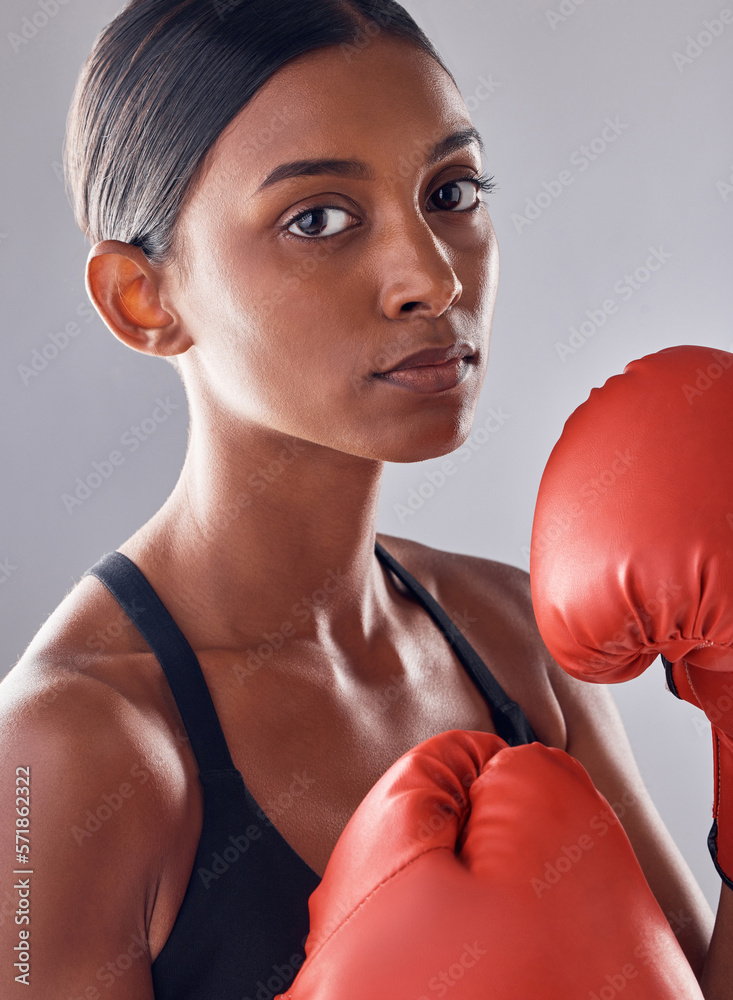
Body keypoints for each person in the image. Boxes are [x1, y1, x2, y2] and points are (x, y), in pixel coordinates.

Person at [0, 1, 715, 997]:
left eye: (451, 189)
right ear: (144, 299)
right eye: (318, 218)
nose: (428, 276)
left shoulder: (513, 637)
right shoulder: (70, 747)